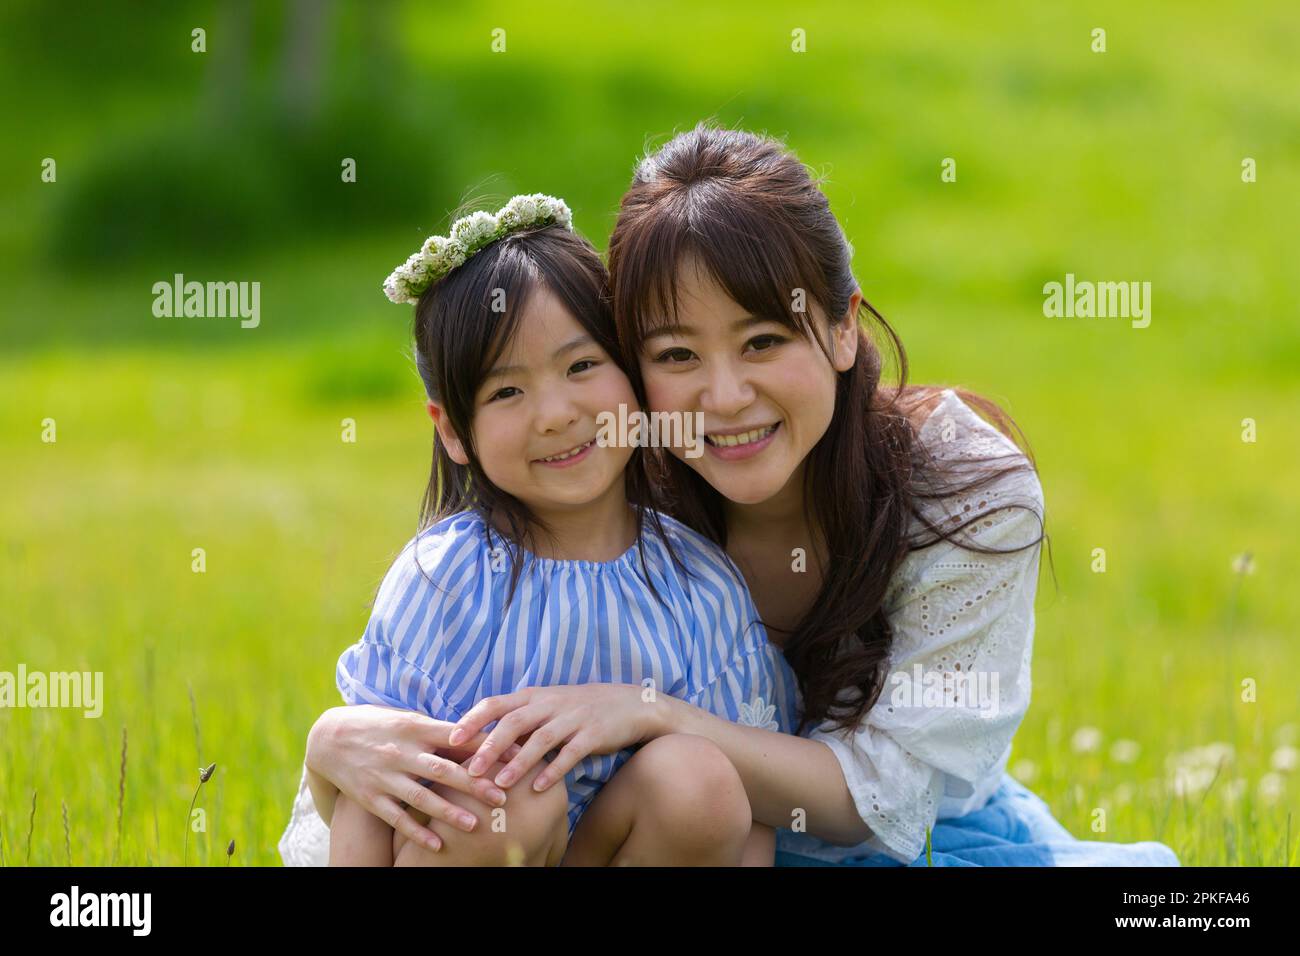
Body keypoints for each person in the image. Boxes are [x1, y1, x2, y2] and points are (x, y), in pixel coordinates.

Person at [292, 128, 1180, 867]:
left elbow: (894, 796)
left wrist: (653, 712)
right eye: (676, 355)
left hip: (889, 844)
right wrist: (333, 743)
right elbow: (413, 723)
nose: (722, 397)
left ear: (841, 326)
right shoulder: (620, 469)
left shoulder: (960, 489)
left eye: (761, 342)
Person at [295, 193, 799, 867]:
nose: (556, 414)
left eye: (582, 366)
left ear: (634, 373)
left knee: (703, 782)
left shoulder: (698, 587)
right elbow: (368, 791)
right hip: (472, 849)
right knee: (508, 796)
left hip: (614, 846)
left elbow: (753, 815)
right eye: (507, 392)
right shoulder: (443, 582)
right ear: (451, 429)